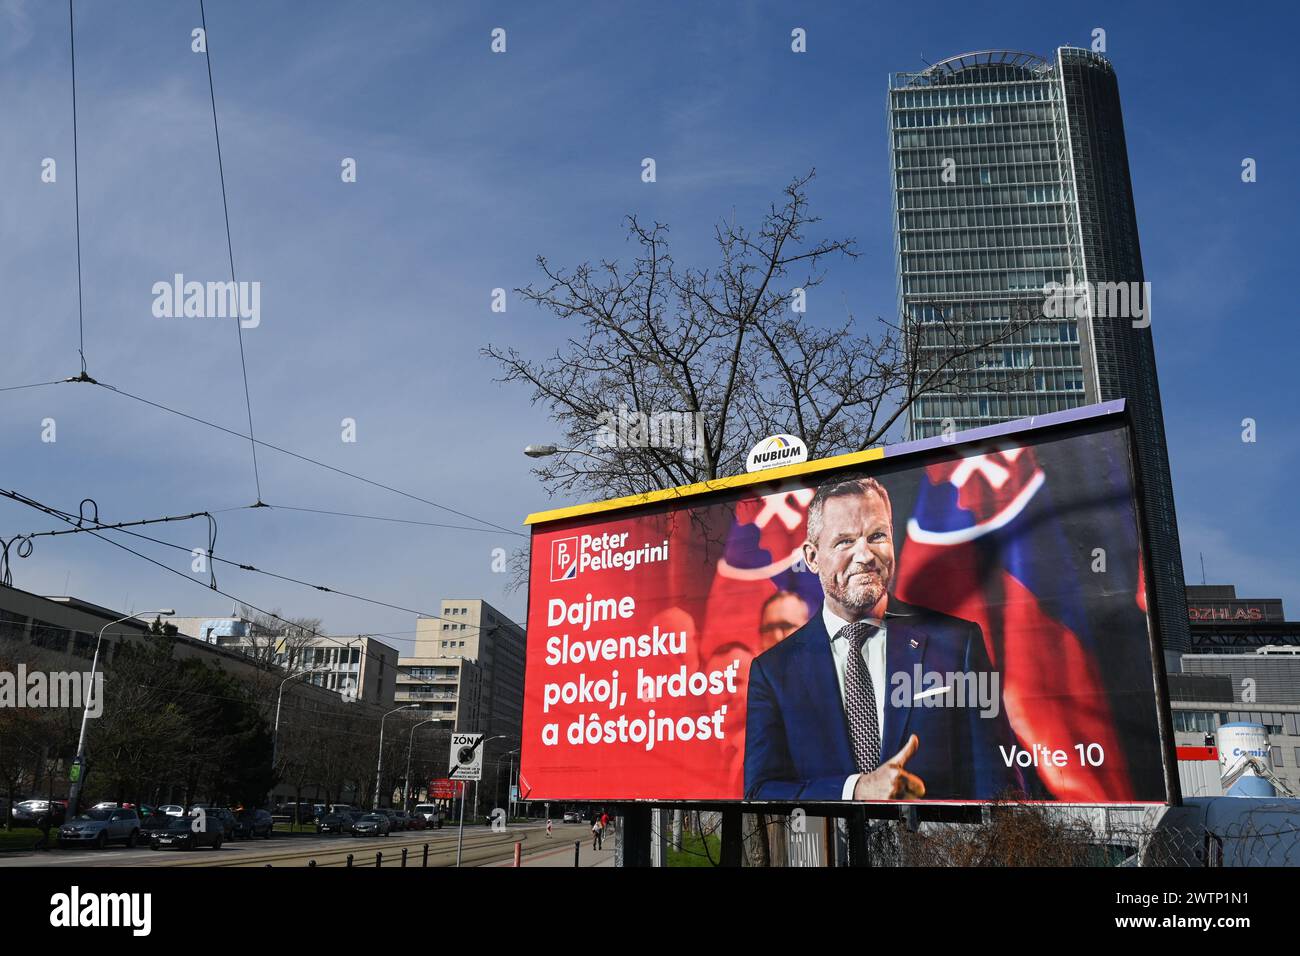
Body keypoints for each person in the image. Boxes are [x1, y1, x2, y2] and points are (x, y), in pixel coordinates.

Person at [743, 475, 1022, 802]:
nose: (865, 555)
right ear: (812, 556)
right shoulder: (773, 672)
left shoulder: (960, 644)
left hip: (939, 852)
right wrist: (857, 789)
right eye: (845, 541)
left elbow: (1000, 788)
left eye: (877, 536)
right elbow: (760, 791)